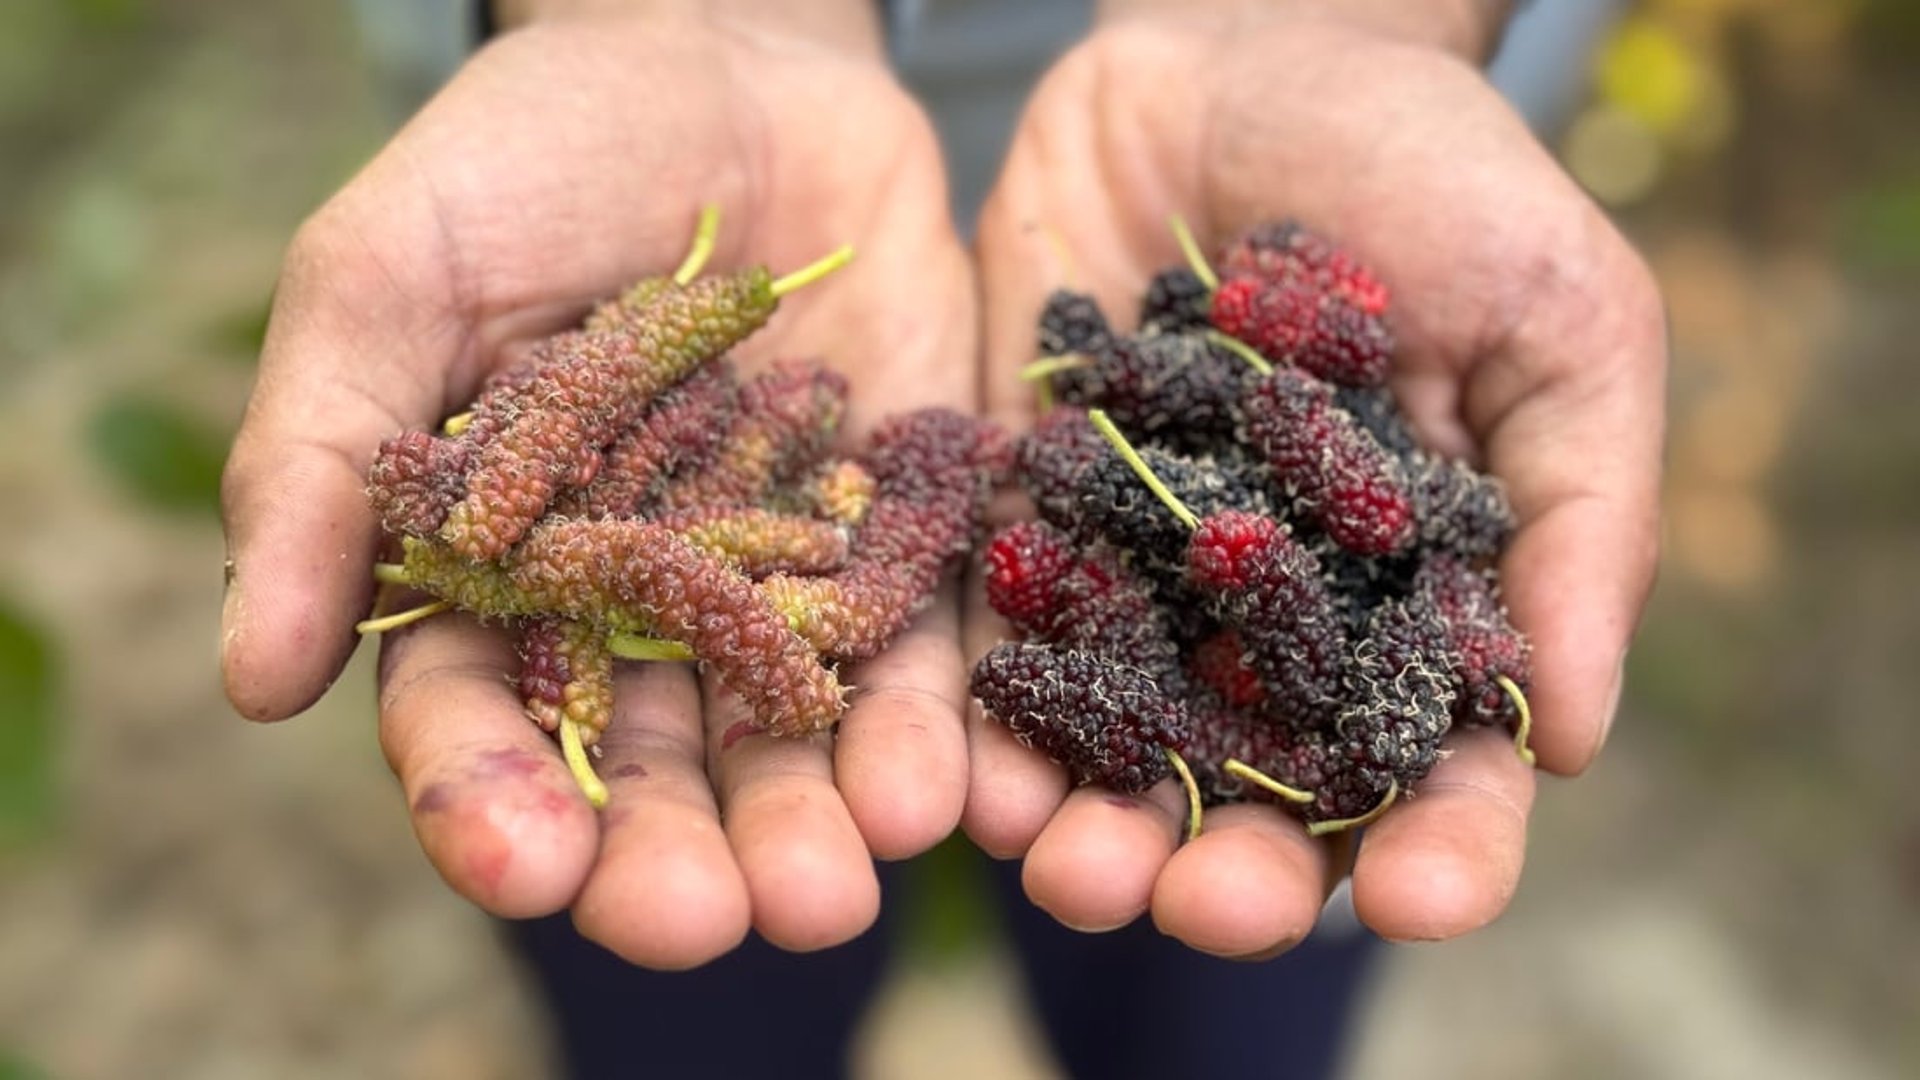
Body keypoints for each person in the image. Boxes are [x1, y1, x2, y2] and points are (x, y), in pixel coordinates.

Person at [217, 0, 1665, 1075]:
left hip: (1227, 137)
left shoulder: (1305, 511)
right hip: (677, 140)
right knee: (679, 965)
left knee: (1218, 965)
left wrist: (1350, 32)